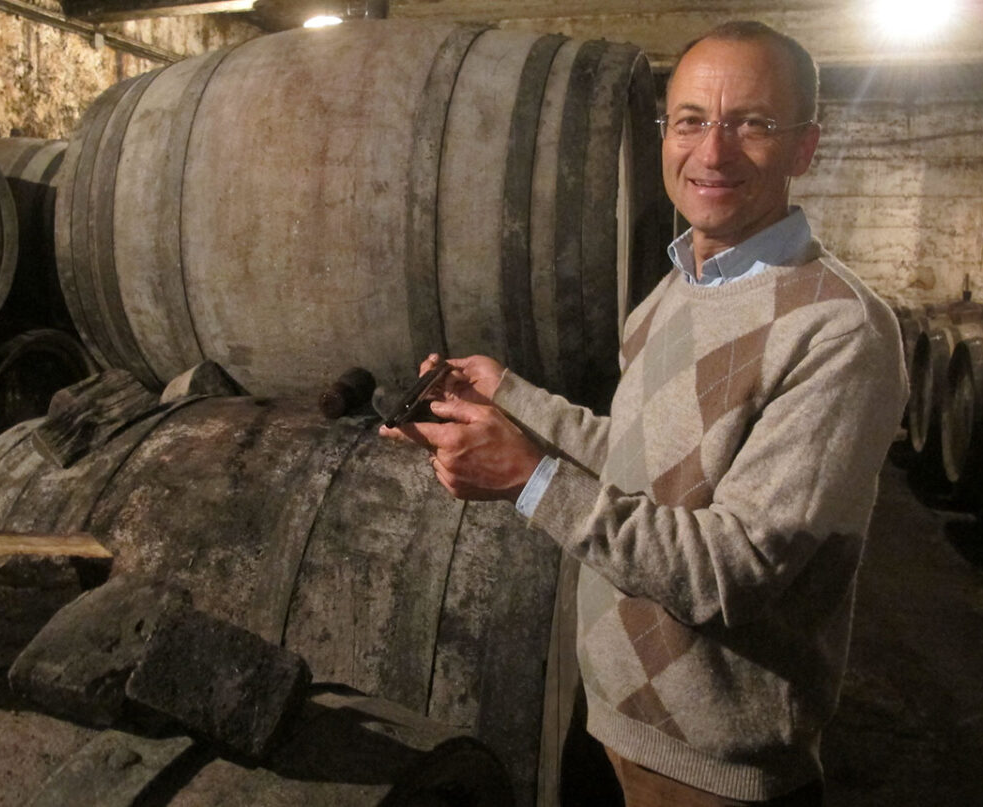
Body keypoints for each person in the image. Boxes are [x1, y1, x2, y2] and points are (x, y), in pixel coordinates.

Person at [381, 19, 909, 807]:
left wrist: (531, 480)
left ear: (805, 148)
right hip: (605, 719)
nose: (713, 151)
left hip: (714, 770)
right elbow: (636, 454)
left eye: (752, 124)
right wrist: (506, 393)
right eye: (691, 120)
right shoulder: (675, 288)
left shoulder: (839, 330)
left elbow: (731, 571)